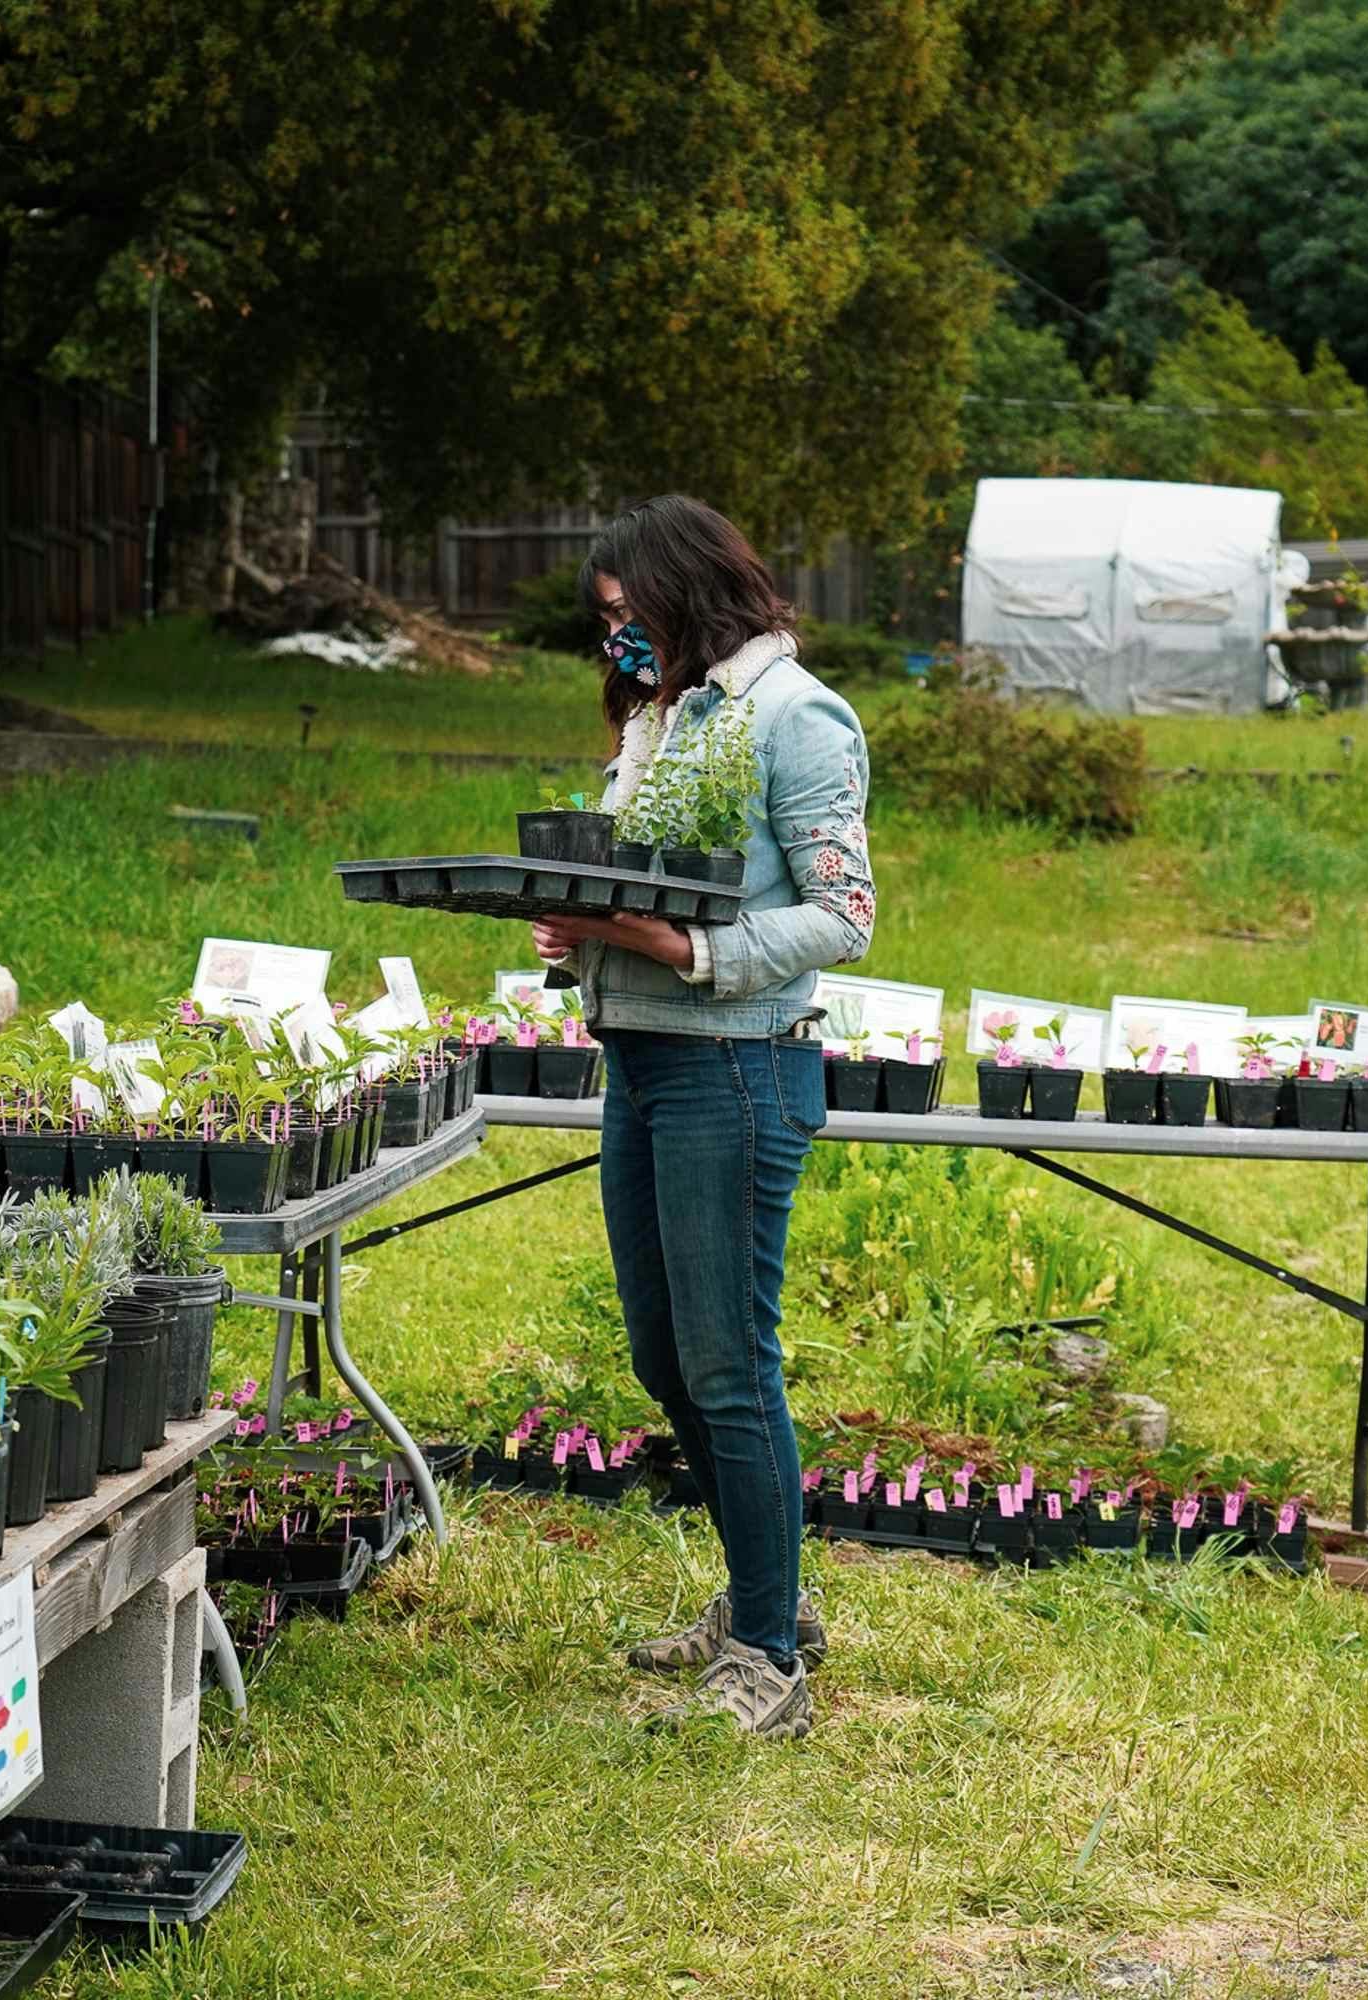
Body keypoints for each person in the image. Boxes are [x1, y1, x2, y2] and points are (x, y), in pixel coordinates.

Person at [527, 495, 875, 1739]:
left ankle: (771, 1653)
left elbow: (843, 916)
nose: (616, 640)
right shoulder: (662, 721)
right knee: (665, 1357)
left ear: (687, 596)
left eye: (628, 615)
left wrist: (682, 945)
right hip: (646, 1059)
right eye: (605, 621)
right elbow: (640, 885)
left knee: (730, 1363)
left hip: (737, 1068)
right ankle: (761, 1594)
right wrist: (579, 930)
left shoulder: (795, 718)